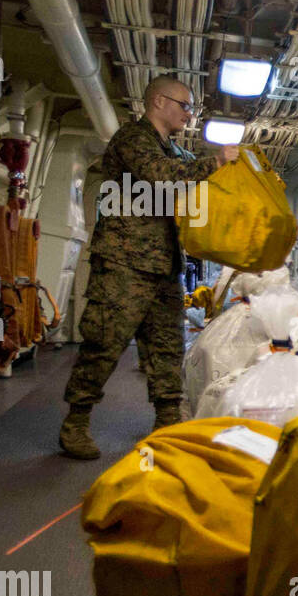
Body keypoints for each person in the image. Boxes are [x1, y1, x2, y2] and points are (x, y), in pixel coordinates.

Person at [58, 76, 240, 459]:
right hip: (123, 262)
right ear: (159, 101)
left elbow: (194, 180)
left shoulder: (174, 150)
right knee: (104, 343)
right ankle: (75, 423)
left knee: (167, 348)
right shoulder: (132, 140)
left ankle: (167, 419)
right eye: (185, 105)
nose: (189, 115)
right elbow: (162, 176)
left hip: (162, 264)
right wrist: (217, 160)